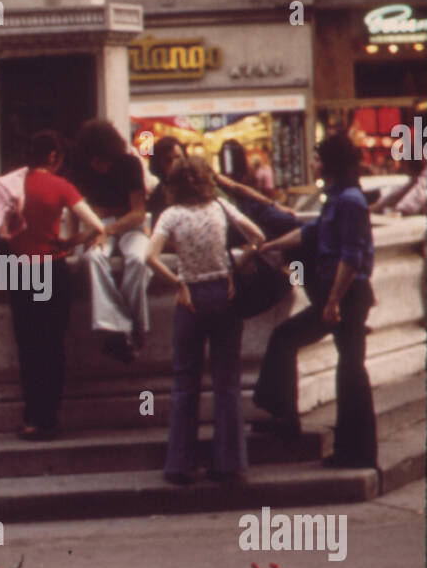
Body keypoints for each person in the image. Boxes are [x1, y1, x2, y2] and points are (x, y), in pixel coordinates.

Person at [251, 133, 378, 468]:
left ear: (332, 163)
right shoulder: (338, 197)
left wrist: (334, 300)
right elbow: (311, 233)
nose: (312, 162)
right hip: (339, 295)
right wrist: (270, 246)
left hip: (347, 295)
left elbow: (351, 257)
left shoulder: (350, 200)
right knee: (291, 341)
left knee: (350, 370)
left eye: (318, 158)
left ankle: (356, 453)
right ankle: (286, 418)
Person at [147, 157, 265, 484]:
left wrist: (178, 283)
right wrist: (236, 269)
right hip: (223, 295)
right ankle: (230, 463)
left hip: (191, 298)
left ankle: (181, 465)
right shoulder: (220, 208)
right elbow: (257, 237)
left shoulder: (171, 215)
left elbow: (149, 257)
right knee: (226, 381)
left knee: (185, 381)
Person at [4, 130, 105, 440]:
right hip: (51, 270)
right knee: (52, 345)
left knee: (28, 347)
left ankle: (31, 418)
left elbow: (4, 230)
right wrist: (68, 242)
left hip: (20, 272)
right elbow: (97, 227)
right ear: (52, 156)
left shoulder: (9, 184)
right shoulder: (61, 186)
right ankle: (49, 418)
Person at [71, 119, 151, 363]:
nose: (98, 166)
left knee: (138, 259)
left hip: (129, 224)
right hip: (99, 225)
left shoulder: (130, 164)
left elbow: (138, 212)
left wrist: (110, 228)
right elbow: (76, 209)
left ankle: (125, 327)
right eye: (93, 161)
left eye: (102, 160)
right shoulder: (80, 168)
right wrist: (77, 241)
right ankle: (125, 328)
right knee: (94, 257)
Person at [146, 136, 187, 226]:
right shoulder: (156, 197)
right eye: (168, 161)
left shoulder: (200, 187)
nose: (175, 164)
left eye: (178, 158)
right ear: (159, 165)